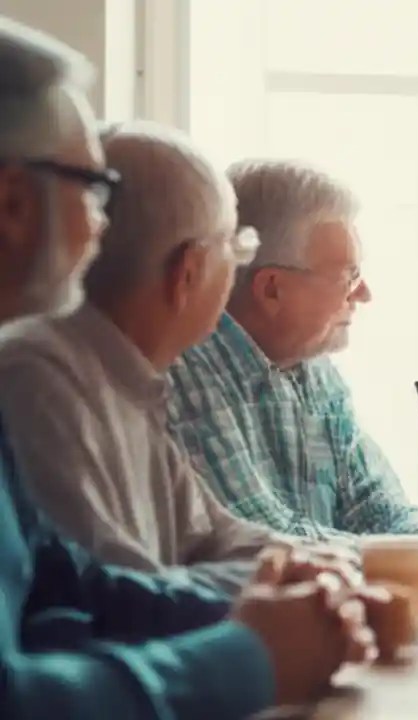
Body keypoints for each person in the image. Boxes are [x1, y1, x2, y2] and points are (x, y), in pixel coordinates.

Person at [0, 18, 376, 717]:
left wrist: (292, 587)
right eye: (92, 186)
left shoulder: (125, 378)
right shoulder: (31, 374)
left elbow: (77, 585)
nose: (105, 222)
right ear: (14, 204)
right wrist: (250, 655)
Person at [166, 159, 418, 584]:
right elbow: (260, 539)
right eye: (349, 276)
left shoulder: (316, 371)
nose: (364, 294)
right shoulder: (186, 372)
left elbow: (376, 508)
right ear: (272, 289)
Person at [0, 121, 285, 593]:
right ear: (188, 272)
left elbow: (216, 537)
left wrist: (338, 568)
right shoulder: (38, 379)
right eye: (235, 248)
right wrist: (286, 585)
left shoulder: (128, 376)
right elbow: (117, 594)